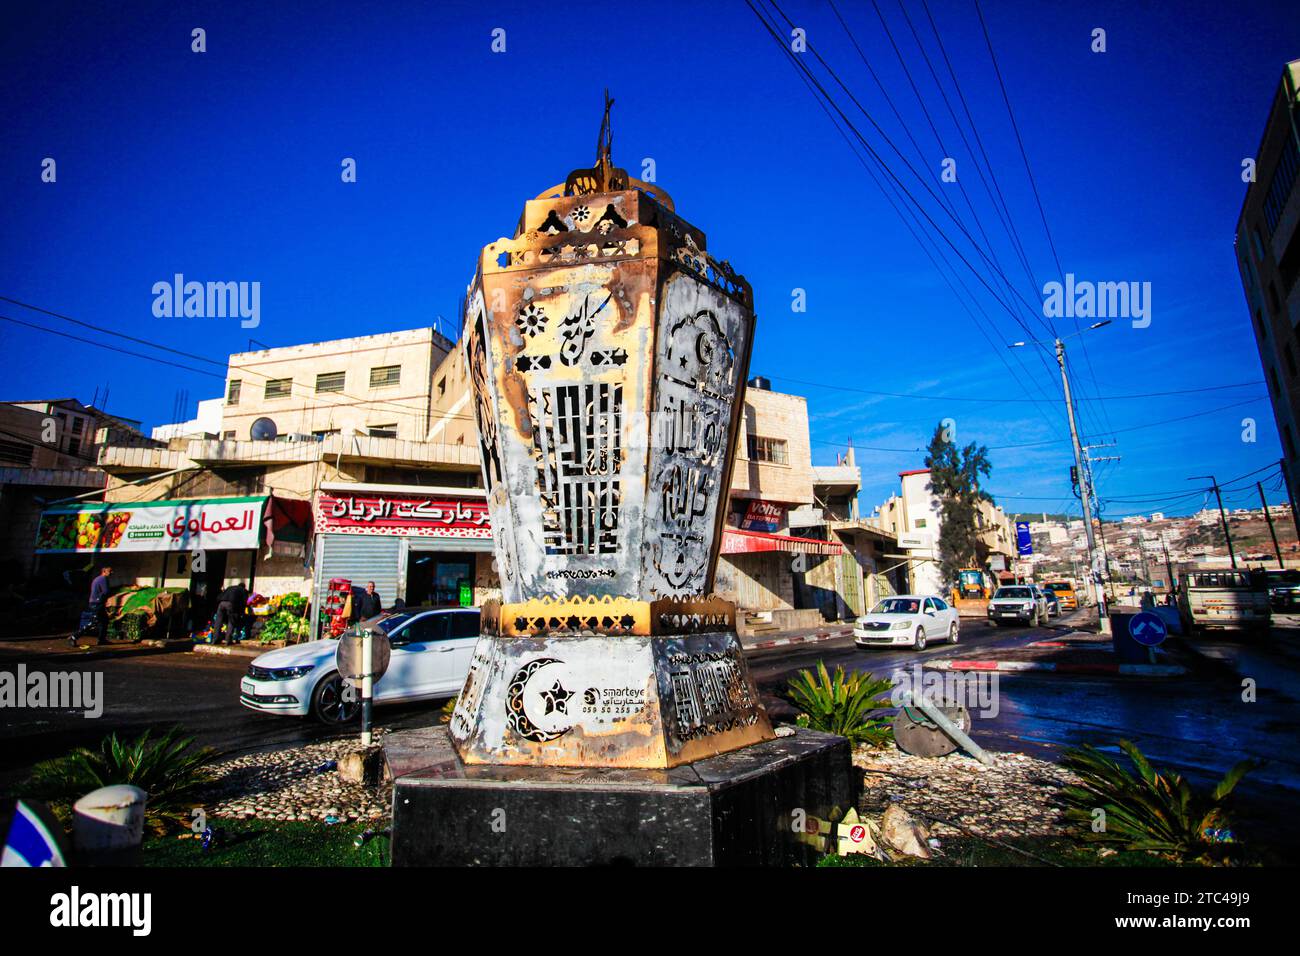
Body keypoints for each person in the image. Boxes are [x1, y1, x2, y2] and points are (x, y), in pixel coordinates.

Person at [212, 580, 250, 644]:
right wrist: (241, 612)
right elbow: (244, 602)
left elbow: (220, 595)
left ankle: (215, 639)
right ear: (244, 587)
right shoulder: (243, 590)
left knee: (218, 621)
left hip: (221, 603)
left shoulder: (230, 587)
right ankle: (228, 640)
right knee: (231, 621)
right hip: (231, 604)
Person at [88, 566, 112, 644]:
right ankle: (75, 636)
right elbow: (106, 591)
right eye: (109, 571)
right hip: (97, 603)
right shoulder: (103, 579)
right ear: (104, 571)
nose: (111, 573)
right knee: (97, 622)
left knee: (103, 621)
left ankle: (101, 639)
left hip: (94, 602)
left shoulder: (97, 578)